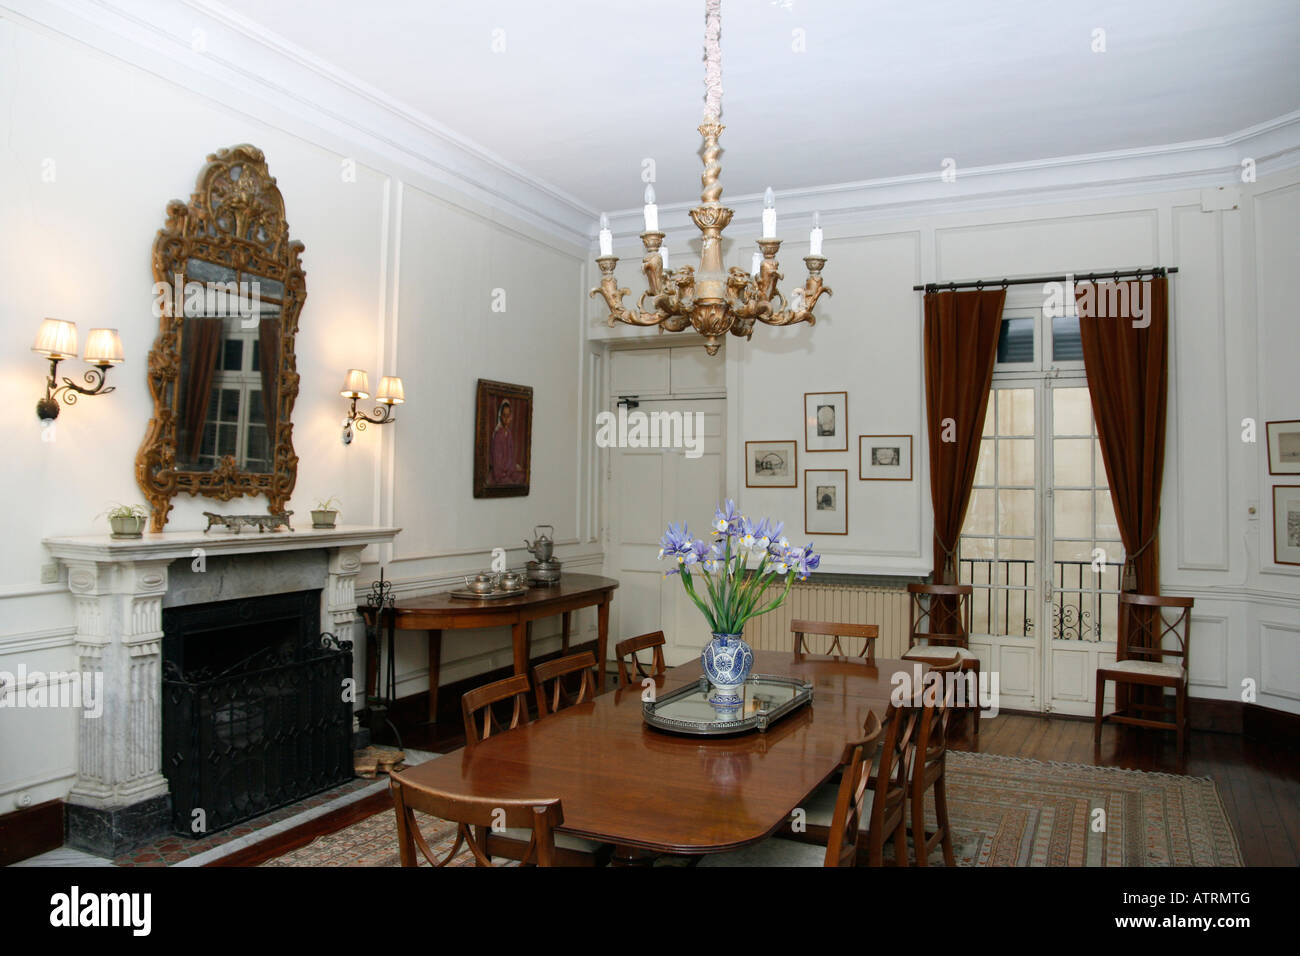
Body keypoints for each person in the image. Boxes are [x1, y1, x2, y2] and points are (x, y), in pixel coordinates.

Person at [489, 399, 525, 485]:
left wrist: (514, 466)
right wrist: (505, 473)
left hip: (509, 471)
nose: (506, 419)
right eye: (504, 415)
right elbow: (497, 463)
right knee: (510, 483)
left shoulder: (509, 434)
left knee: (522, 477)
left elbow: (511, 456)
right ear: (500, 416)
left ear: (511, 417)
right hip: (500, 474)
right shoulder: (498, 435)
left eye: (508, 416)